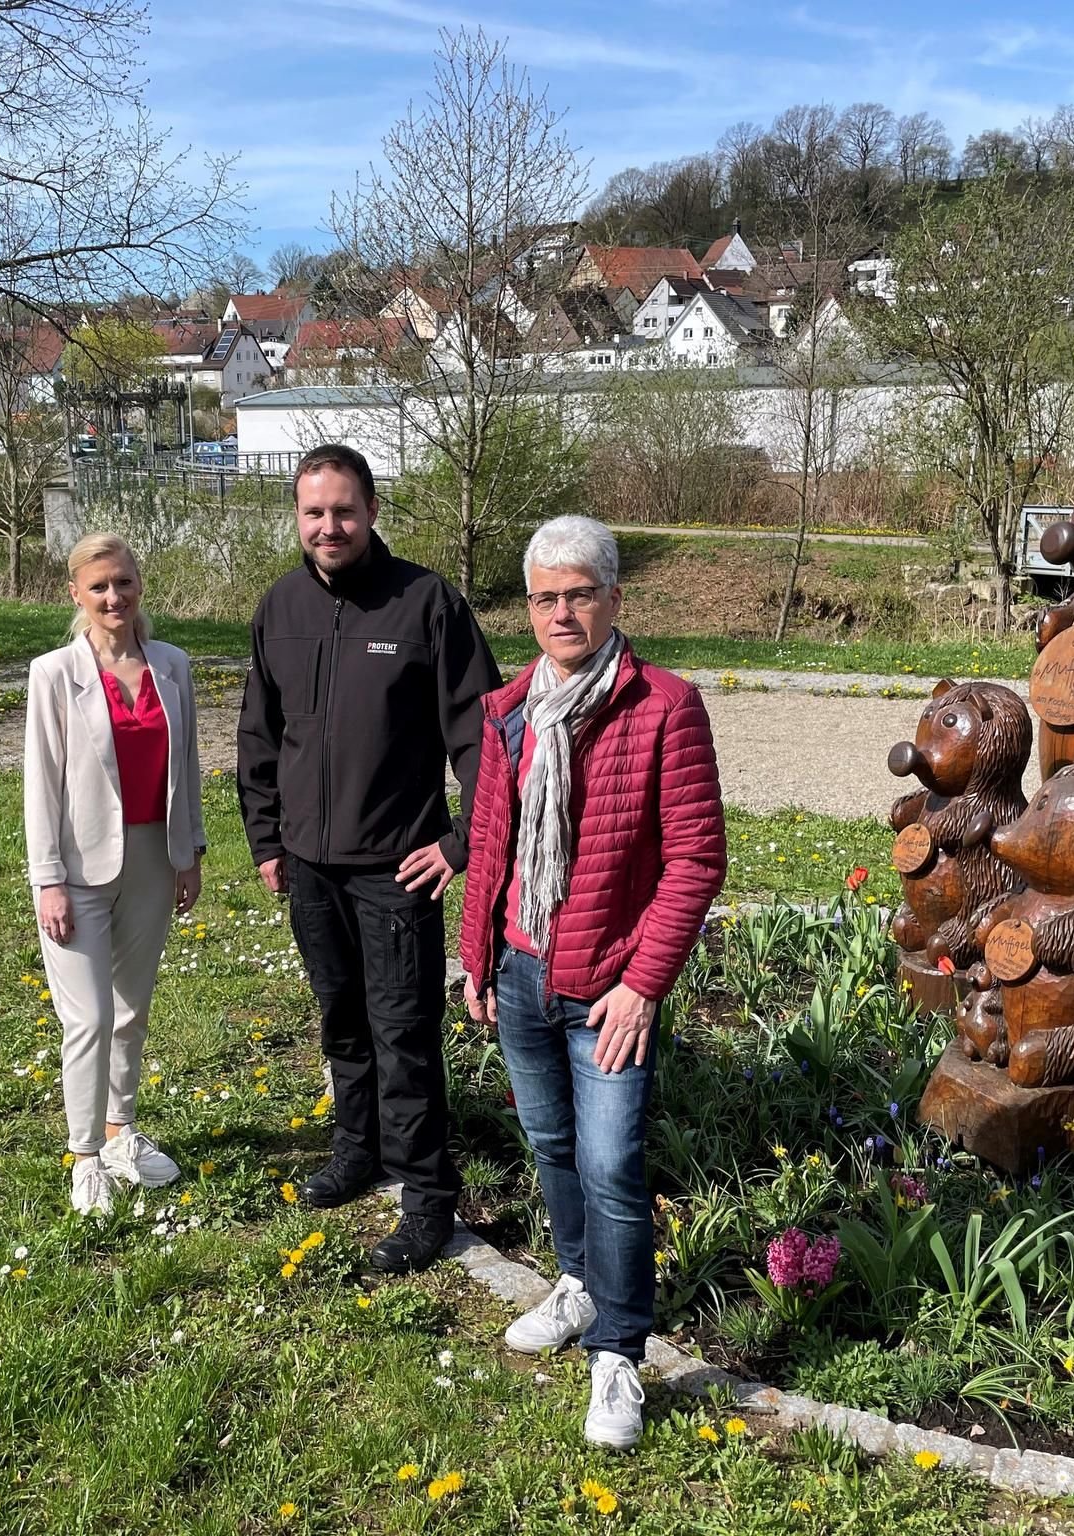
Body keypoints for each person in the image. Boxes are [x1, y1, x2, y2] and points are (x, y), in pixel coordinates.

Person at [459, 515, 726, 1450]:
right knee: (550, 1143)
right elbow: (490, 842)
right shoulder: (508, 710)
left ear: (614, 598)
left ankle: (618, 1351)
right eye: (545, 596)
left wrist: (646, 983)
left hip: (611, 984)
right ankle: (577, 1283)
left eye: (579, 593)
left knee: (613, 1166)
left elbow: (695, 859)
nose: (562, 612)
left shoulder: (664, 705)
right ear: (527, 606)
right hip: (523, 971)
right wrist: (477, 956)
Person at [237, 443, 500, 1273]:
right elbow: (260, 735)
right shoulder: (278, 608)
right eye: (314, 512)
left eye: (343, 510)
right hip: (309, 867)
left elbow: (483, 740)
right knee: (342, 1018)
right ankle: (360, 1150)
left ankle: (426, 1199)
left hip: (396, 866)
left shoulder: (426, 603)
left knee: (404, 1032)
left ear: (373, 510)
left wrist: (460, 843)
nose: (329, 526)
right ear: (297, 517)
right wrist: (267, 839)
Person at [25, 532, 206, 1215]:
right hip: (78, 868)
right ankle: (84, 1156)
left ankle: (121, 1130)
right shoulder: (55, 674)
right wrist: (46, 879)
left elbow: (184, 767)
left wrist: (189, 853)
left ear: (139, 587)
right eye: (98, 586)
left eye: (123, 583)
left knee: (131, 1009)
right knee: (90, 1018)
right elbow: (40, 784)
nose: (113, 597)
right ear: (76, 593)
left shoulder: (171, 665)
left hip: (154, 858)